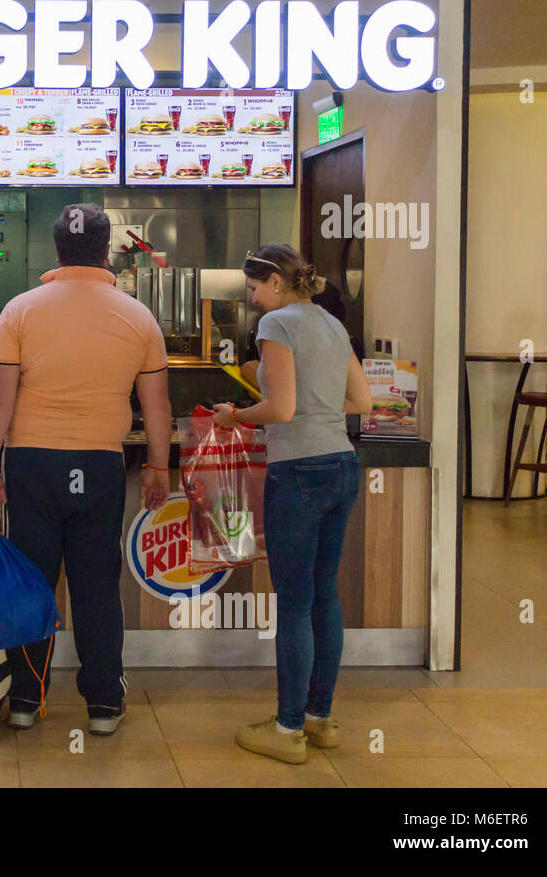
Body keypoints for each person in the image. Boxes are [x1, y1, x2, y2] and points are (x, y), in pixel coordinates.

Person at [0, 202, 171, 736]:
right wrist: (158, 465)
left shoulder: (20, 310)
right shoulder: (138, 316)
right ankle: (104, 704)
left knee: (33, 585)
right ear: (107, 250)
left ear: (56, 249)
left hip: (31, 467)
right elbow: (157, 407)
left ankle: (24, 700)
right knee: (97, 588)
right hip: (101, 466)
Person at [215, 244, 372, 764]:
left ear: (277, 284)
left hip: (300, 471)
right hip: (342, 466)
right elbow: (362, 402)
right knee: (325, 597)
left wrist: (233, 416)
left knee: (296, 603)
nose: (253, 297)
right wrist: (316, 409)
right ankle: (318, 719)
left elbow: (280, 409)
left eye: (255, 287)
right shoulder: (329, 323)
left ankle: (286, 730)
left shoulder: (277, 325)